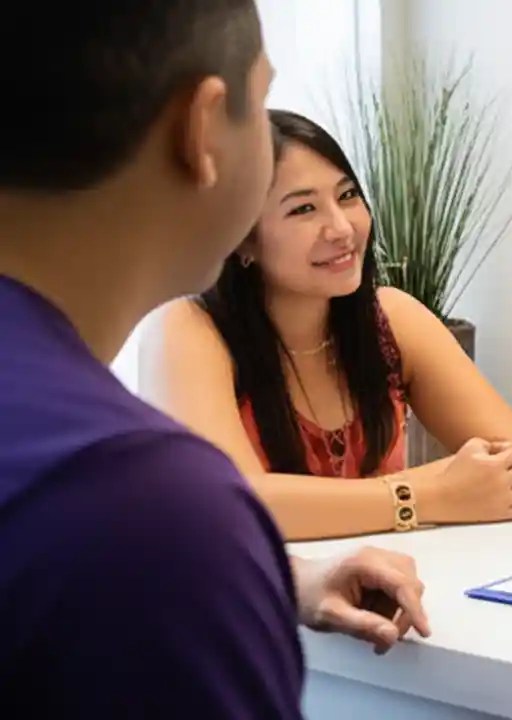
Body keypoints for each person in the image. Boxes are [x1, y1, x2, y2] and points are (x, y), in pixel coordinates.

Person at [1, 3, 428, 716]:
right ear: (200, 130)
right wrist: (208, 569)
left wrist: (276, 578)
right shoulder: (147, 505)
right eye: (260, 106)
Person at [139, 109, 512, 541]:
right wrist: (430, 495)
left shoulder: (393, 318)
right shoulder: (186, 330)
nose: (341, 228)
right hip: (262, 598)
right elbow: (233, 505)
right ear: (241, 237)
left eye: (348, 195)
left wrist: (337, 505)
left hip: (396, 584)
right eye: (303, 209)